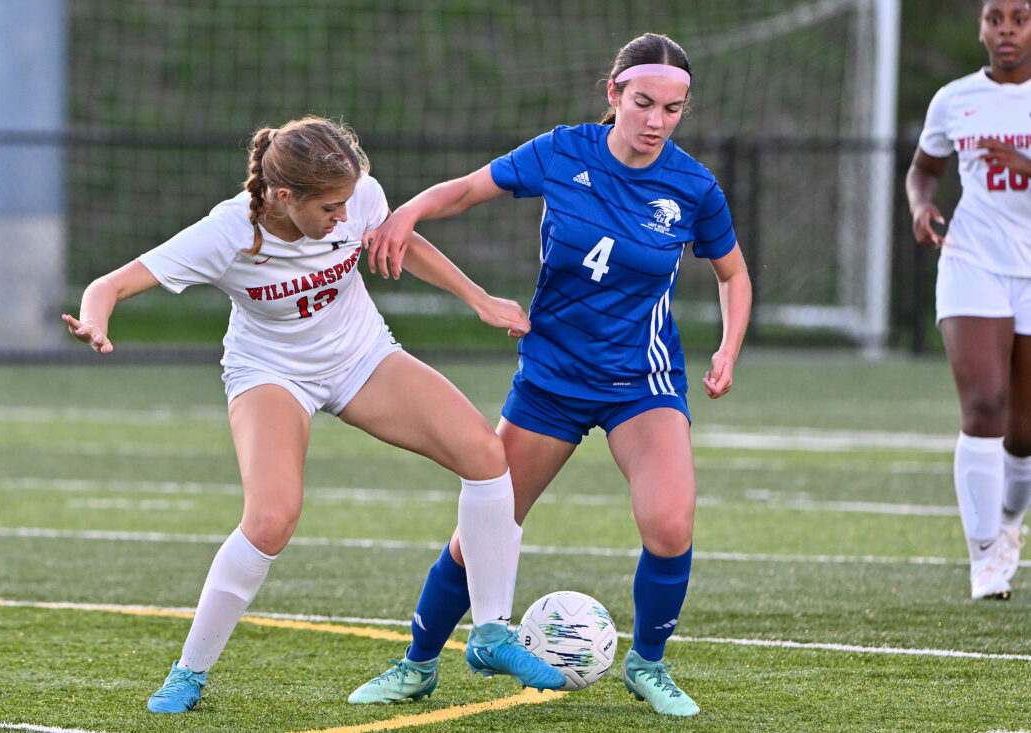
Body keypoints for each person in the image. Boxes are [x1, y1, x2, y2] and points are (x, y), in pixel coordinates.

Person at [62, 116, 565, 714]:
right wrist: (96, 319)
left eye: (349, 202)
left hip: (362, 356)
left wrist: (478, 298)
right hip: (271, 372)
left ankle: (489, 633)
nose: (343, 217)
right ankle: (189, 672)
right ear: (282, 196)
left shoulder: (358, 198)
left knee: (486, 455)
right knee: (272, 517)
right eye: (329, 208)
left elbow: (400, 242)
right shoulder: (227, 232)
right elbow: (110, 284)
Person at [351, 33, 751, 717]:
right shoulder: (563, 151)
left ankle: (648, 665)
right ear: (614, 95)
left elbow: (733, 274)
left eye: (674, 109)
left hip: (642, 381)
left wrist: (728, 346)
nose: (657, 121)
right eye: (645, 103)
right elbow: (468, 189)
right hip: (551, 378)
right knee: (485, 526)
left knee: (670, 522)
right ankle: (416, 664)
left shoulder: (693, 186)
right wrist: (409, 211)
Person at [906, 0, 1031, 602]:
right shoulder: (954, 98)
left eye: (1020, 18)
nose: (1006, 30)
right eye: (995, 17)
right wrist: (920, 207)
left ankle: (1009, 527)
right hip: (972, 258)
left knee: (1025, 432)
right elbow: (922, 169)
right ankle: (984, 559)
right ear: (981, 26)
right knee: (985, 406)